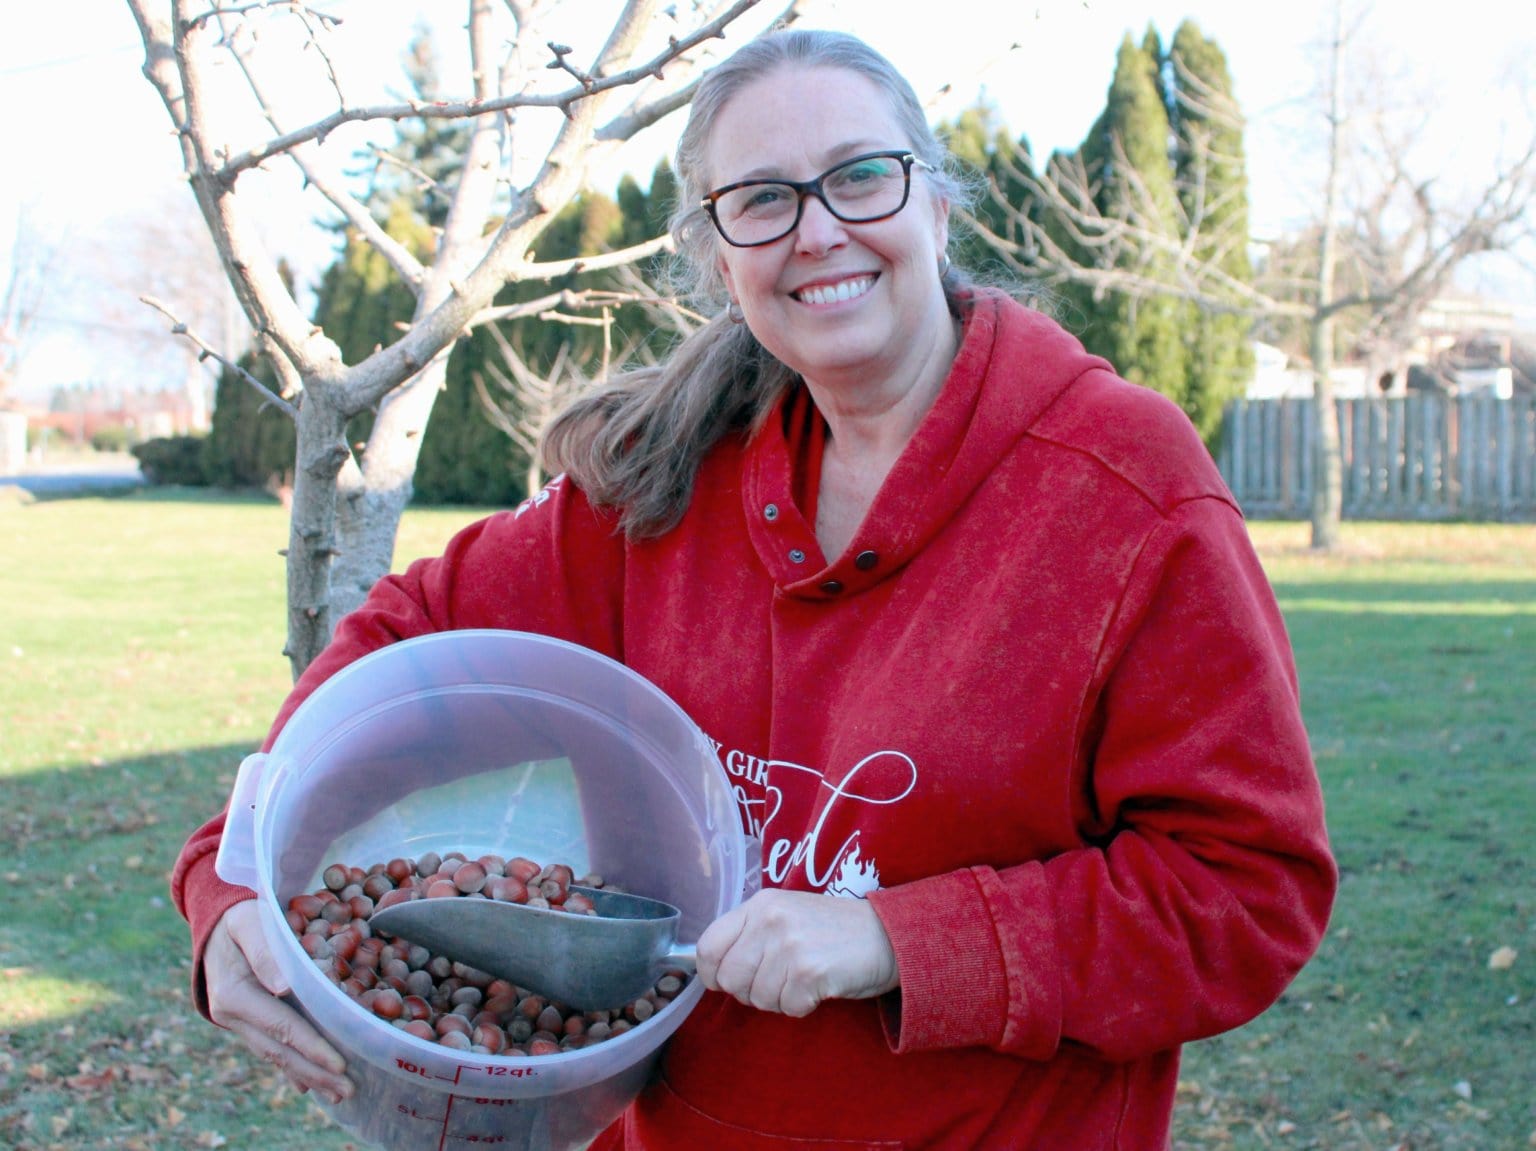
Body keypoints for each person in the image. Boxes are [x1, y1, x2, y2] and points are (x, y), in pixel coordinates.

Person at [171, 27, 1336, 1150]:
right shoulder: (657, 488)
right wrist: (232, 879)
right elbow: (407, 648)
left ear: (935, 201)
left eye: (860, 178)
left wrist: (897, 937)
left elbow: (1244, 891)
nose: (818, 232)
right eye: (763, 201)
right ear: (718, 255)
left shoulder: (1122, 490)